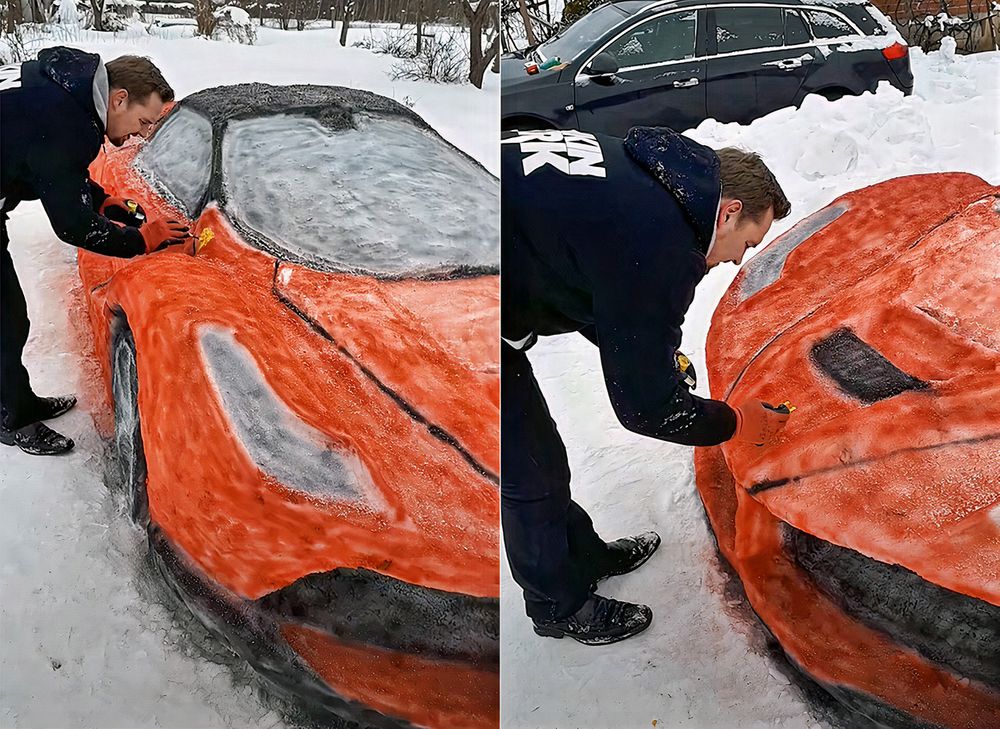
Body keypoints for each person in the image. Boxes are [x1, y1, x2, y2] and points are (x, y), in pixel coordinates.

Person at [501, 126, 793, 645]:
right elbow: (645, 408)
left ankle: (582, 558)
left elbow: (591, 273)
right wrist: (738, 420)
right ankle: (557, 607)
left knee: (542, 461)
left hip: (483, 248)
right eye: (745, 243)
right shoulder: (661, 241)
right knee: (528, 470)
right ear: (726, 211)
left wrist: (652, 353)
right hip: (443, 290)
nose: (734, 261)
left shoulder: (644, 170)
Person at [1, 47, 190, 456]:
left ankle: (17, 401)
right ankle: (11, 418)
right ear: (119, 98)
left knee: (8, 316)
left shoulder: (57, 88)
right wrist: (143, 241)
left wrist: (102, 200)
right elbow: (72, 225)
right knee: (5, 318)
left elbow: (41, 162)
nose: (140, 135)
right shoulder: (66, 119)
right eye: (142, 122)